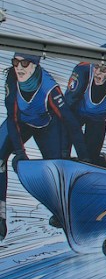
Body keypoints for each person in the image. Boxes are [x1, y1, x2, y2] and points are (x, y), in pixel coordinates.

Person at [0, 52, 89, 239]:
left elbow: (70, 123)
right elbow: (13, 117)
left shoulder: (49, 88)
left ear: (35, 65)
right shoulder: (11, 77)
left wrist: (84, 157)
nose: (19, 68)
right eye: (15, 62)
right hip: (20, 123)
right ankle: (0, 216)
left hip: (45, 125)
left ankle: (64, 215)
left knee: (56, 170)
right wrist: (19, 151)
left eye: (24, 63)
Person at [64, 53, 106, 164]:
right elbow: (68, 102)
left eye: (104, 70)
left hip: (98, 119)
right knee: (63, 137)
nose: (97, 73)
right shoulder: (82, 70)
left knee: (91, 157)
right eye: (96, 67)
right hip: (77, 113)